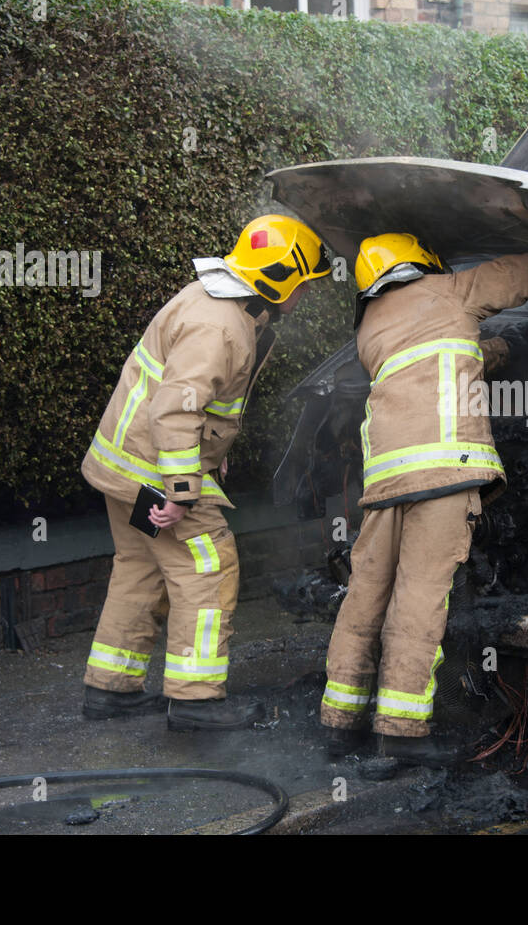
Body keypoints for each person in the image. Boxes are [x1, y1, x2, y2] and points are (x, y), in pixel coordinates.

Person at [319, 233, 528, 763]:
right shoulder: (452, 290)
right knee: (419, 598)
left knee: (366, 593)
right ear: (422, 265)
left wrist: (492, 353)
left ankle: (340, 724)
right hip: (445, 472)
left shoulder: (372, 329)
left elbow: (430, 358)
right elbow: (522, 273)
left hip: (386, 478)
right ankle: (399, 734)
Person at [80, 214, 332, 731]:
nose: (306, 296)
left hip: (124, 467)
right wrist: (179, 491)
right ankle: (196, 702)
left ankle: (111, 690)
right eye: (303, 285)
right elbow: (176, 409)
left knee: (140, 571)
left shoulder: (213, 302)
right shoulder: (221, 326)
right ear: (277, 280)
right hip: (154, 475)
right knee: (209, 570)